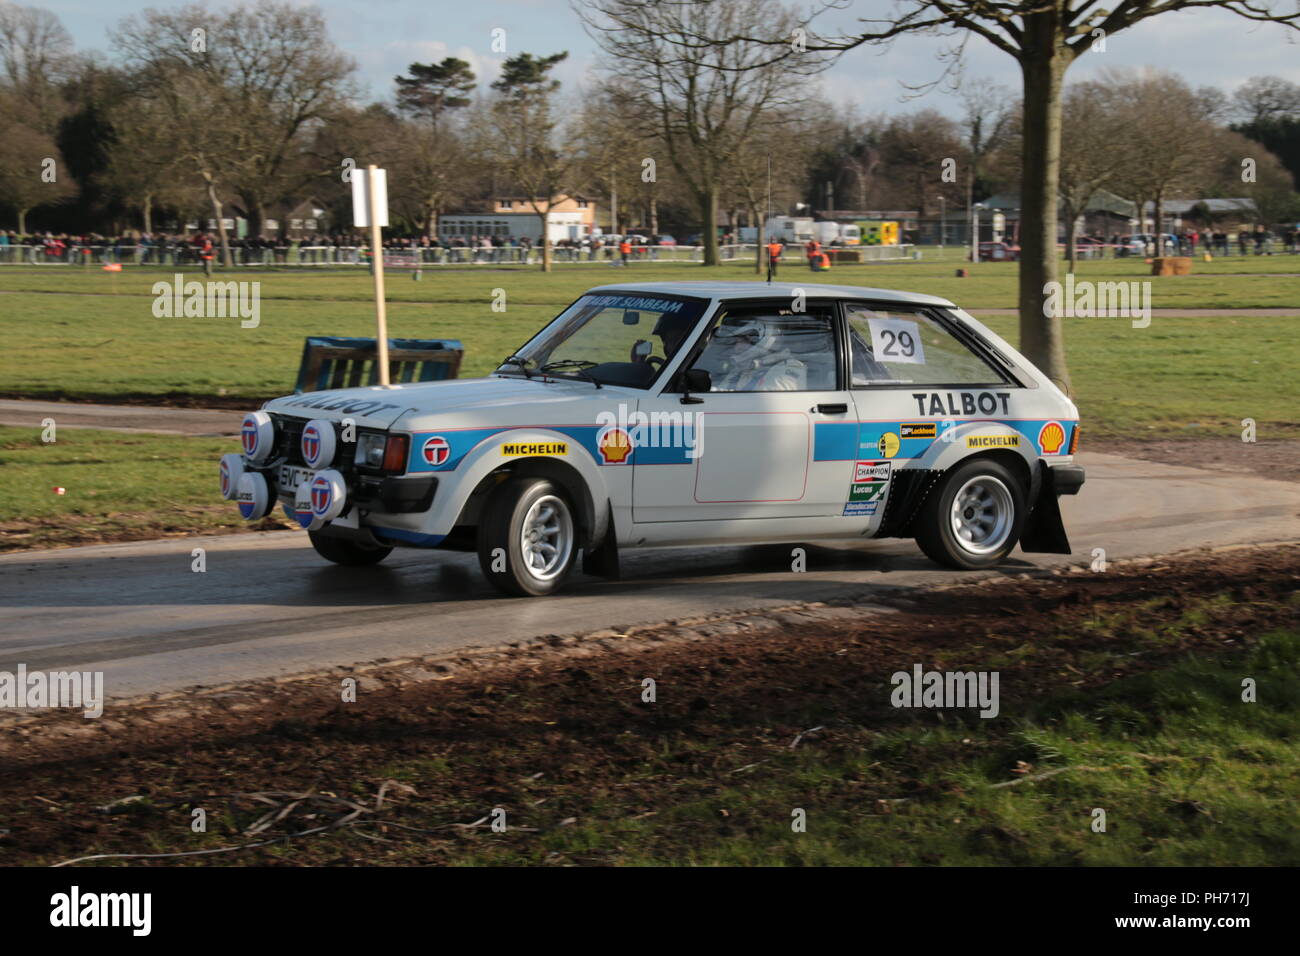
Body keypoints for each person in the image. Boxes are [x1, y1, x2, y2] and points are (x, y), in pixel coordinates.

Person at [697, 319, 806, 391]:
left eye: (743, 341)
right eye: (736, 342)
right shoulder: (745, 366)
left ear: (764, 341)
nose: (736, 347)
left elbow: (764, 406)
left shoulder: (789, 368)